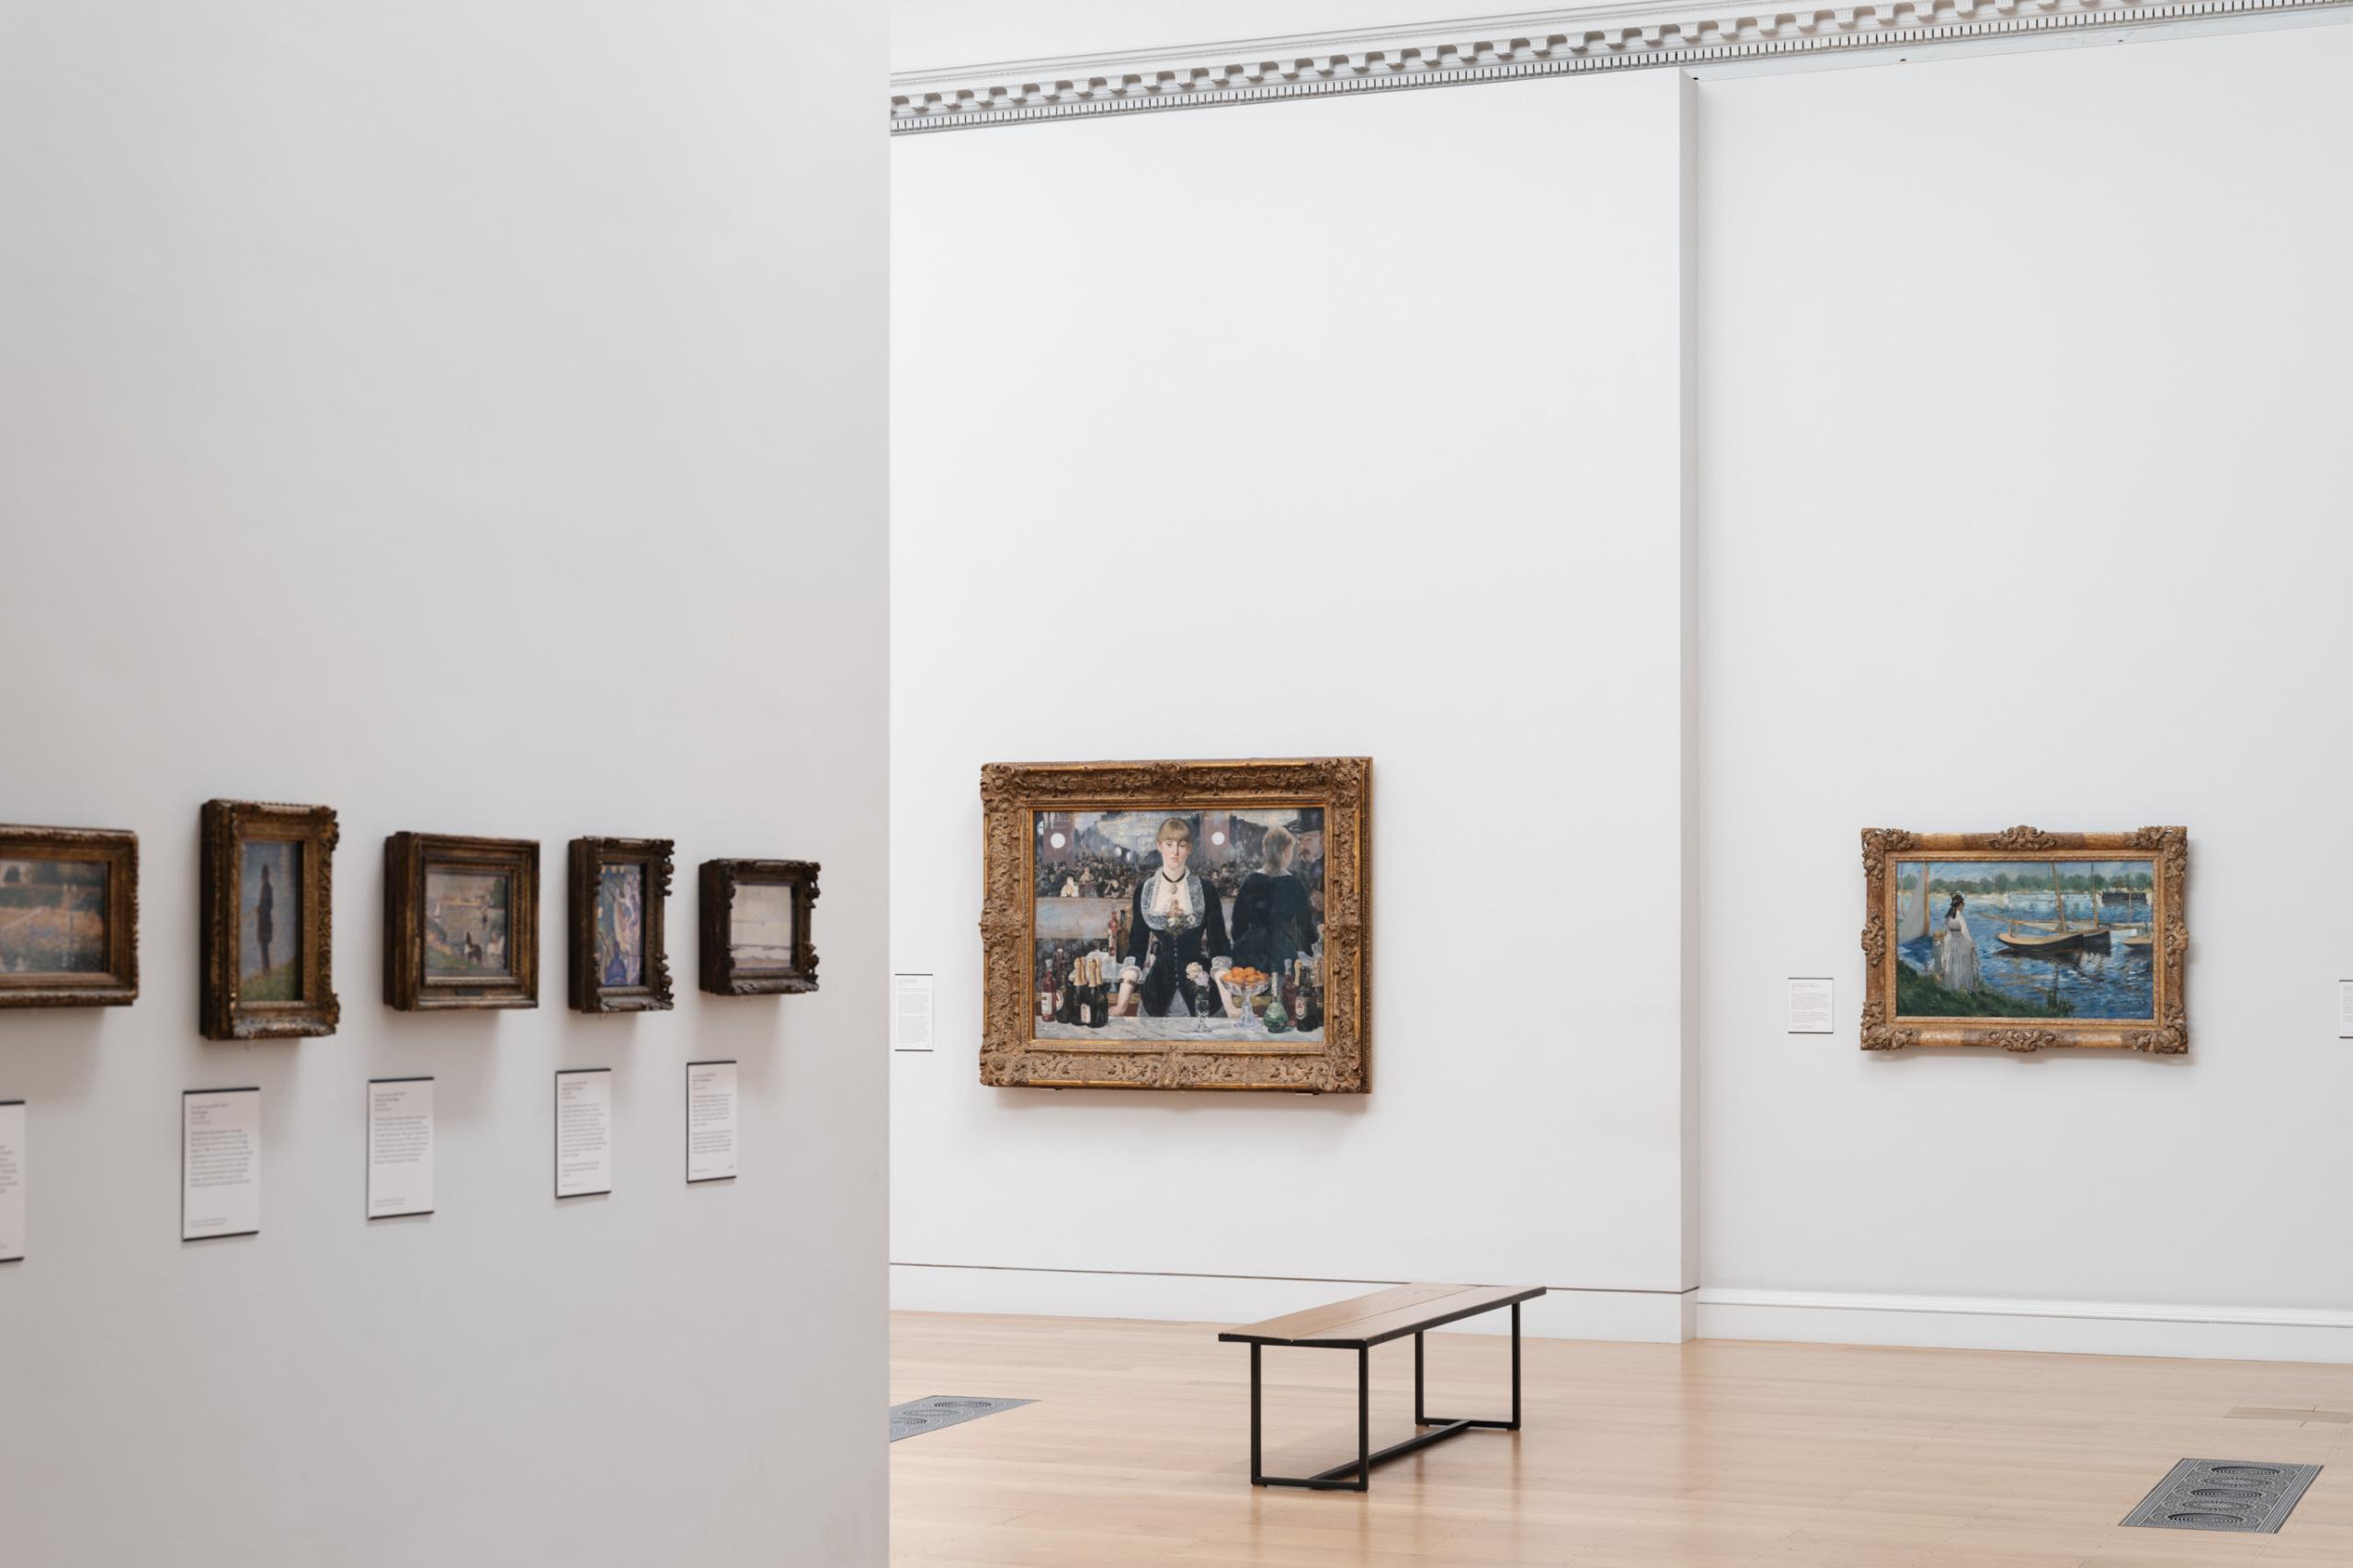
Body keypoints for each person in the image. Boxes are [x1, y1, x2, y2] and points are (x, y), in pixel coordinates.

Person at [1116, 816, 1229, 1018]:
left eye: (1181, 845)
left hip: (1202, 994)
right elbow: (1137, 948)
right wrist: (1122, 1005)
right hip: (1157, 993)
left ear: (1189, 849)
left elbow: (1219, 949)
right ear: (1159, 846)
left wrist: (1231, 1007)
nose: (1175, 852)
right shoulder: (1146, 891)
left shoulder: (1205, 889)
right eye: (1169, 844)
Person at [1229, 824, 1317, 983]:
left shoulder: (1251, 881)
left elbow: (1238, 923)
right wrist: (1309, 949)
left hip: (1249, 950)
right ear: (1285, 853)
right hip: (1281, 951)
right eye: (1290, 850)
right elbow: (1305, 925)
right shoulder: (1294, 883)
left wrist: (1244, 941)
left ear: (1265, 851)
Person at [1937, 893, 1978, 991]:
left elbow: (1946, 929)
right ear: (1959, 905)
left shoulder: (1949, 916)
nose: (1963, 906)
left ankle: (1950, 985)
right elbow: (1966, 934)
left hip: (1950, 941)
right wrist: (1972, 944)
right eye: (1963, 904)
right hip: (1959, 942)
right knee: (1960, 964)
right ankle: (1959, 986)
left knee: (1951, 962)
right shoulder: (1960, 918)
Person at [255, 862, 277, 975]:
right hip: (263, 922)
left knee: (265, 947)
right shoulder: (265, 887)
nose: (262, 877)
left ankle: (266, 970)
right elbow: (265, 904)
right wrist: (260, 908)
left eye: (264, 875)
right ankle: (266, 970)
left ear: (266, 875)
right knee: (264, 947)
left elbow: (269, 905)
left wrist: (261, 909)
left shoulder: (267, 888)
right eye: (263, 875)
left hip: (265, 922)